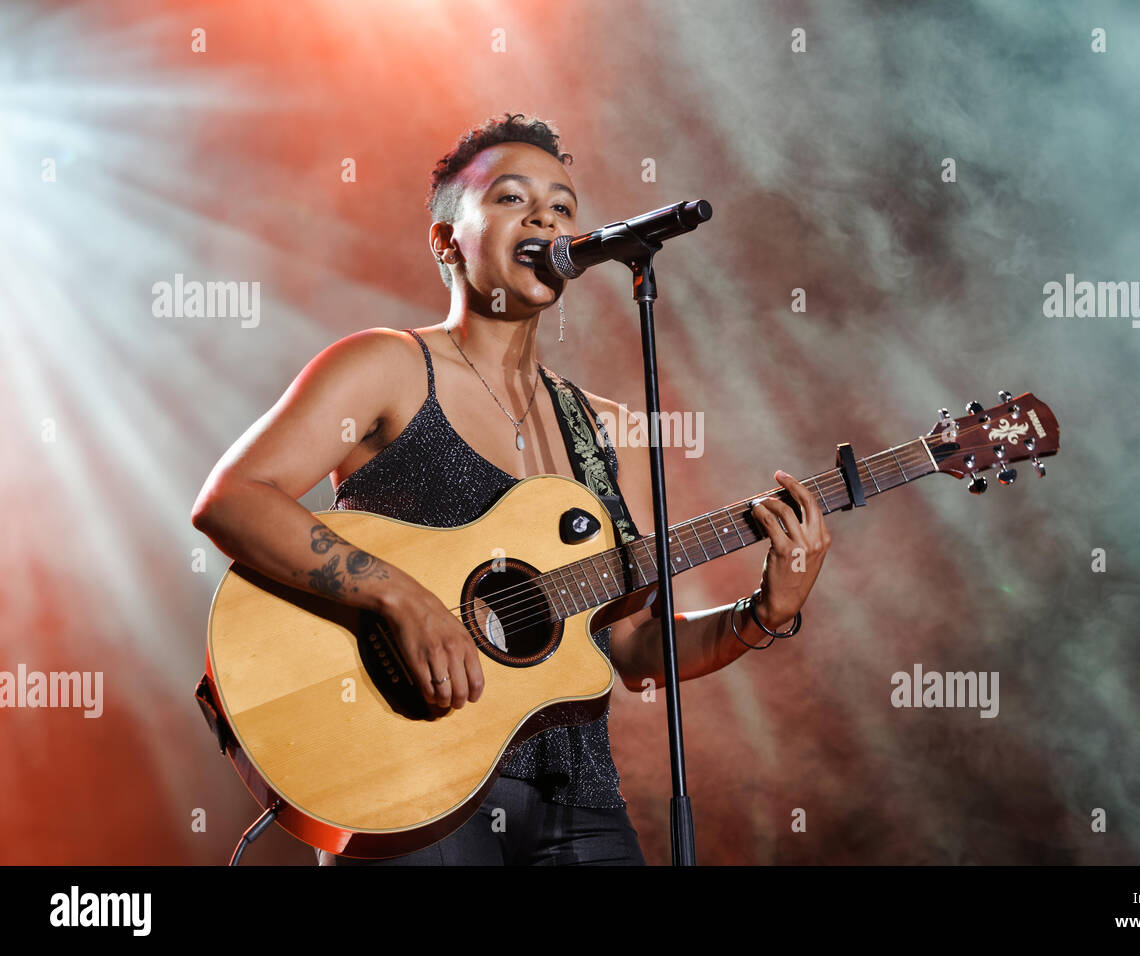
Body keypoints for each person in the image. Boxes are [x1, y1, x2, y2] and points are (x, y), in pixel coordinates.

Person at [190, 112, 832, 865]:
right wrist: (403, 599)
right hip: (410, 782)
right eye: (510, 198)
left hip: (582, 803)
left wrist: (762, 613)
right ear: (445, 240)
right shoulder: (386, 368)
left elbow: (628, 649)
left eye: (562, 206)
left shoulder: (605, 429)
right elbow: (233, 497)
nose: (545, 217)